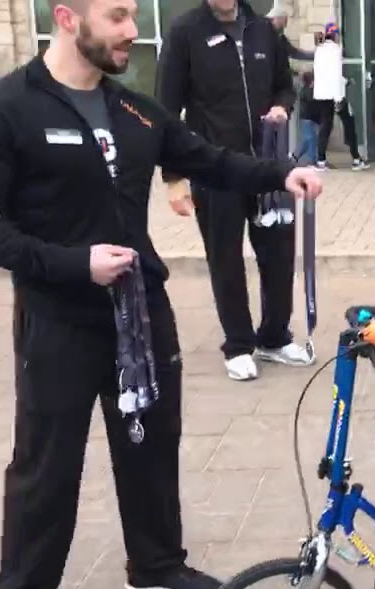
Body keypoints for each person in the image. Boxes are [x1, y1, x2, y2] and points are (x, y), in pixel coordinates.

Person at [0, 0, 323, 589]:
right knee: (48, 465)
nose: (133, 30)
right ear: (68, 18)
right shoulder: (6, 110)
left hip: (141, 312)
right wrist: (73, 264)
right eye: (120, 16)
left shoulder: (132, 110)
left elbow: (209, 159)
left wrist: (282, 173)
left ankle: (155, 563)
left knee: (153, 445)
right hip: (59, 320)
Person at [157, 0, 315, 381]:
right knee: (225, 259)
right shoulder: (184, 33)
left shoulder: (264, 31)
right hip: (214, 171)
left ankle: (274, 337)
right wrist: (173, 177)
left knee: (278, 255)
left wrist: (281, 106)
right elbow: (166, 109)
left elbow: (284, 85)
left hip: (268, 167)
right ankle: (239, 344)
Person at [312, 24, 367, 171]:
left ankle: (321, 160)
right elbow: (335, 74)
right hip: (335, 94)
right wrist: (339, 97)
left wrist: (345, 81)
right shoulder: (336, 50)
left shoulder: (319, 49)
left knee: (325, 126)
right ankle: (356, 158)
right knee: (349, 124)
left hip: (322, 94)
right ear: (335, 35)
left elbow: (324, 73)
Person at [291, 69, 321, 165]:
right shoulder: (308, 91)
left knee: (307, 139)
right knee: (311, 138)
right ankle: (312, 160)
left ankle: (296, 156)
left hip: (307, 118)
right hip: (308, 118)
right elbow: (313, 101)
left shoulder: (305, 89)